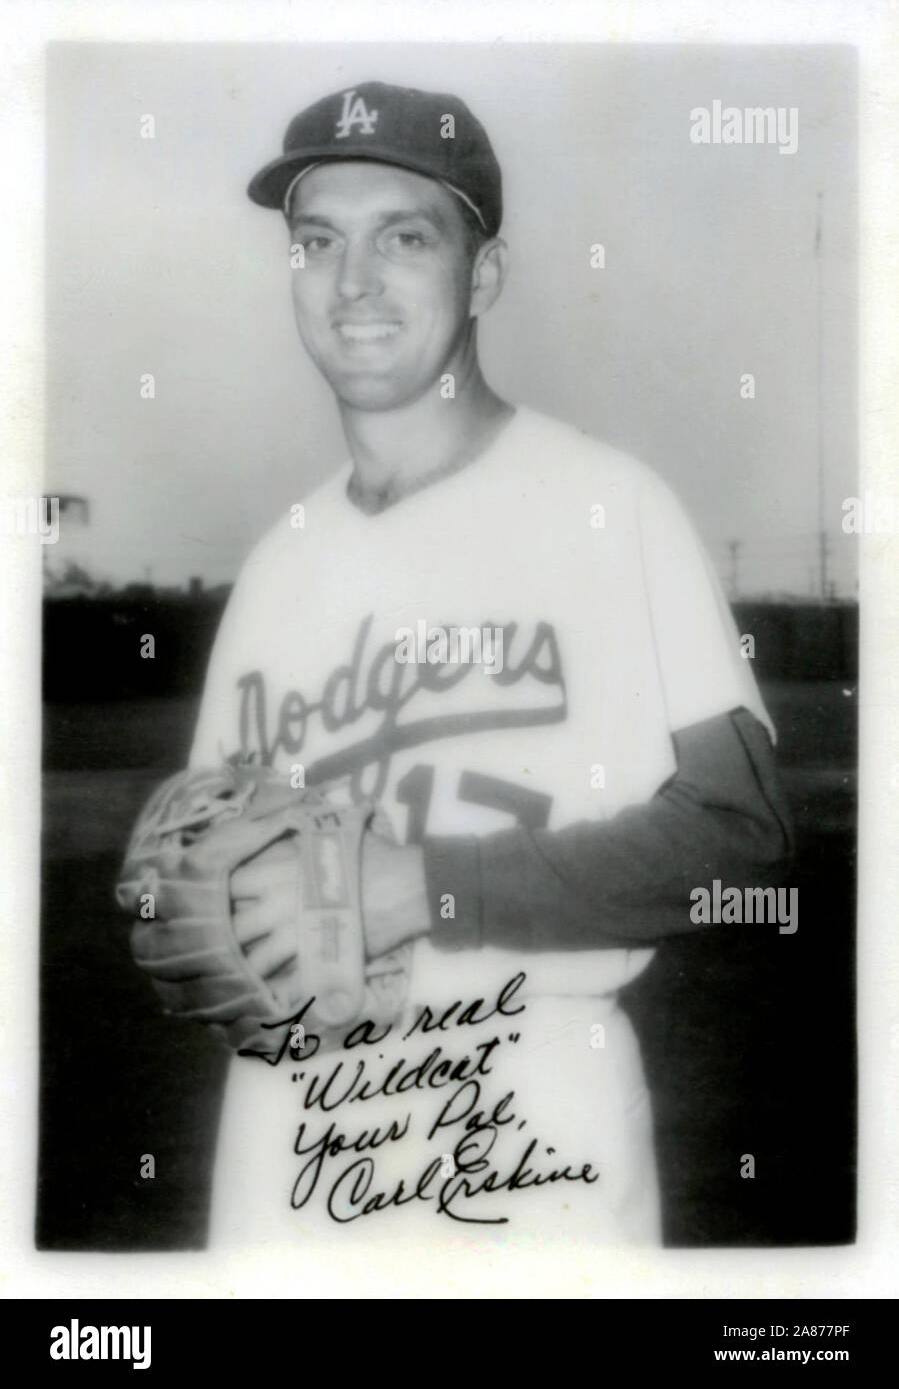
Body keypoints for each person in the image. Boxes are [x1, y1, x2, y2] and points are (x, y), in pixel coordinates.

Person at [187, 80, 793, 1247]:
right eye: (318, 242)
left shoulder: (607, 507)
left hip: (531, 1153)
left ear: (484, 276)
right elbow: (217, 864)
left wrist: (426, 886)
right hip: (285, 1160)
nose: (351, 282)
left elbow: (741, 835)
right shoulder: (273, 568)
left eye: (403, 238)